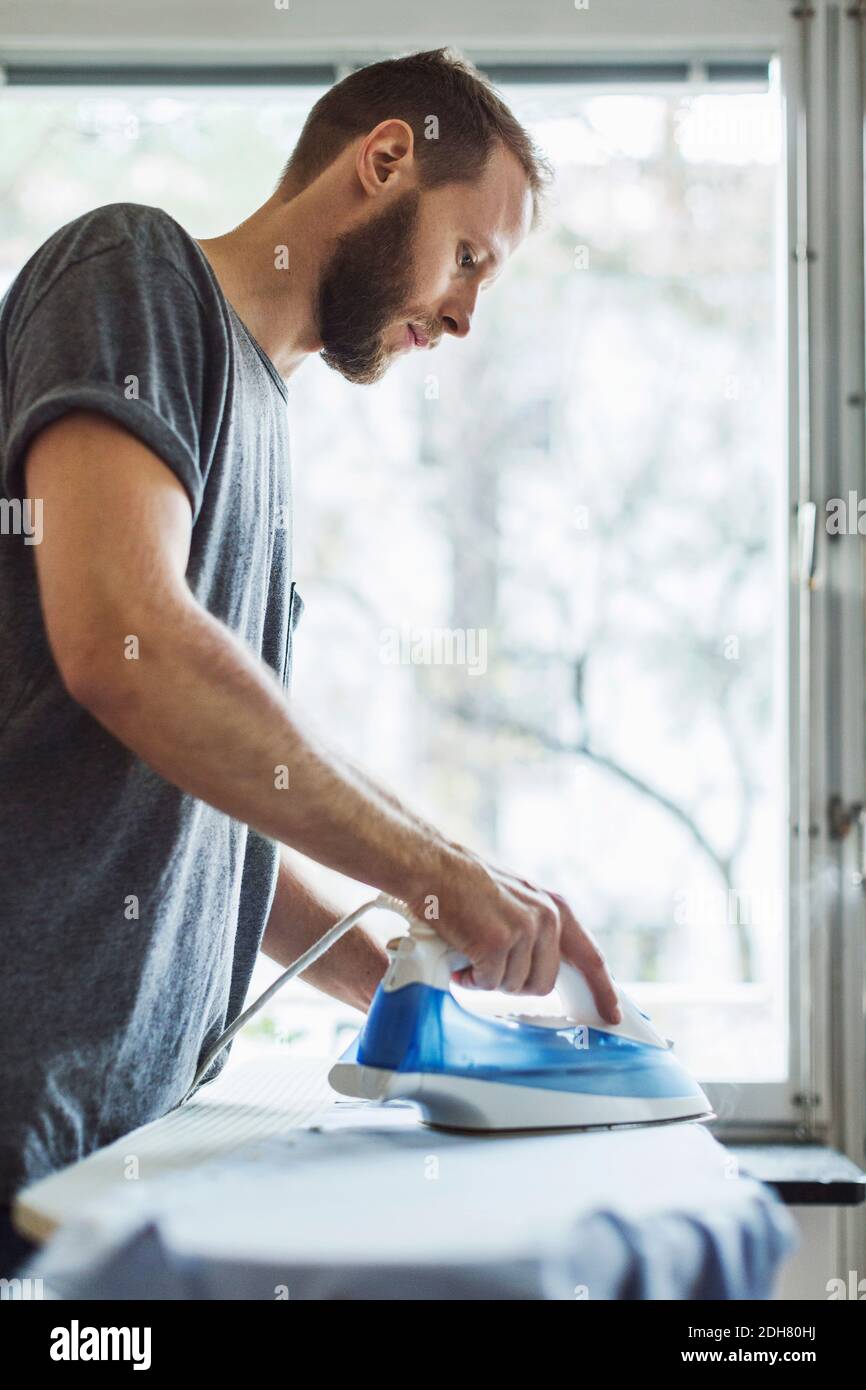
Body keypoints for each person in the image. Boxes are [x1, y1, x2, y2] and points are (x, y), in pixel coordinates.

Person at [0, 48, 619, 1271]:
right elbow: (129, 651)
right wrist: (438, 870)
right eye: (468, 259)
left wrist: (405, 988)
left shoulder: (270, 433)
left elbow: (200, 825)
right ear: (382, 161)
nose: (462, 315)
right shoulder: (132, 276)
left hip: (118, 1139)